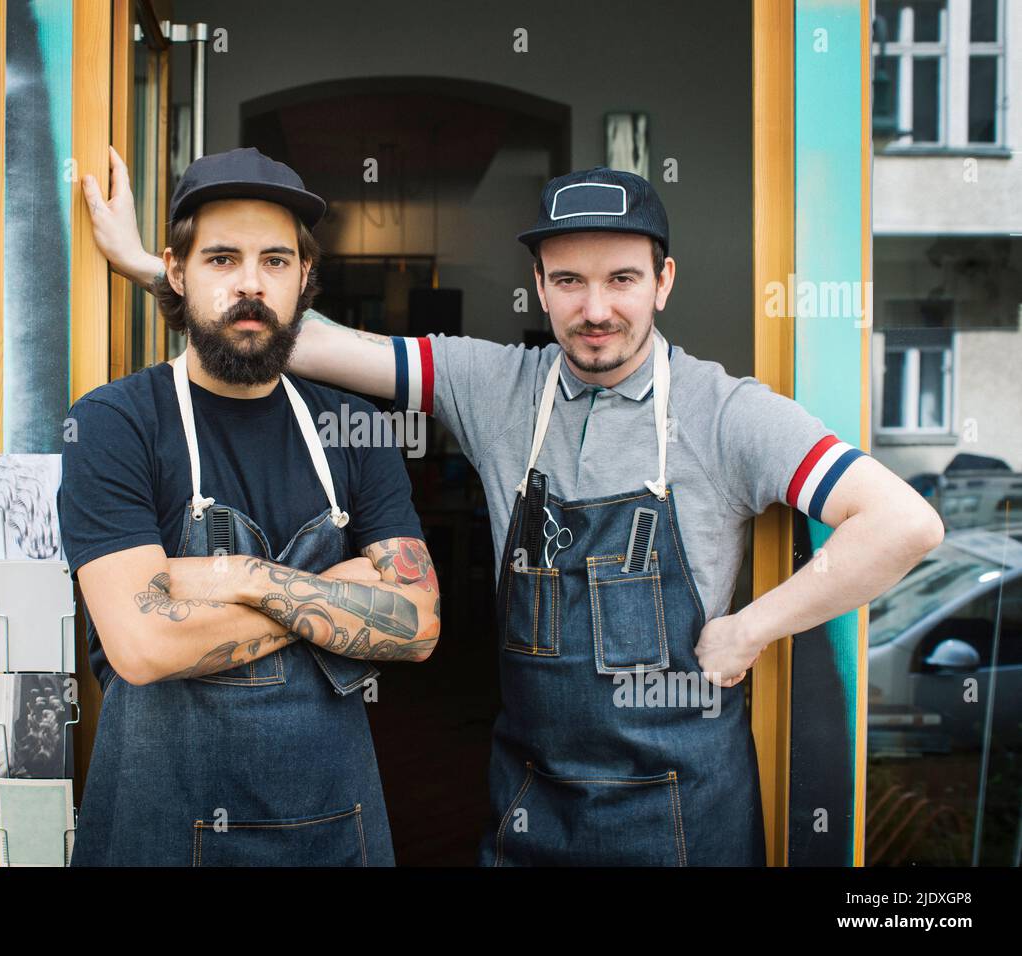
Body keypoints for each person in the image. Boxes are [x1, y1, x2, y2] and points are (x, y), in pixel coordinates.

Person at [85, 153, 943, 866]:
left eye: (622, 278)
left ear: (664, 281)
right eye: (568, 280)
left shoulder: (729, 414)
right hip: (531, 808)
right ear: (537, 284)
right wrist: (148, 269)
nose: (596, 308)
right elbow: (277, 330)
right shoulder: (496, 387)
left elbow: (904, 523)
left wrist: (752, 628)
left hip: (683, 821)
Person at [62, 147, 440, 866]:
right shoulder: (115, 423)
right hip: (162, 825)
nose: (250, 285)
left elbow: (418, 624)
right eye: (222, 259)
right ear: (176, 271)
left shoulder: (355, 428)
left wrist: (236, 577)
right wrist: (335, 595)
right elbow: (142, 649)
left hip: (332, 822)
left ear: (304, 278)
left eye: (274, 261)